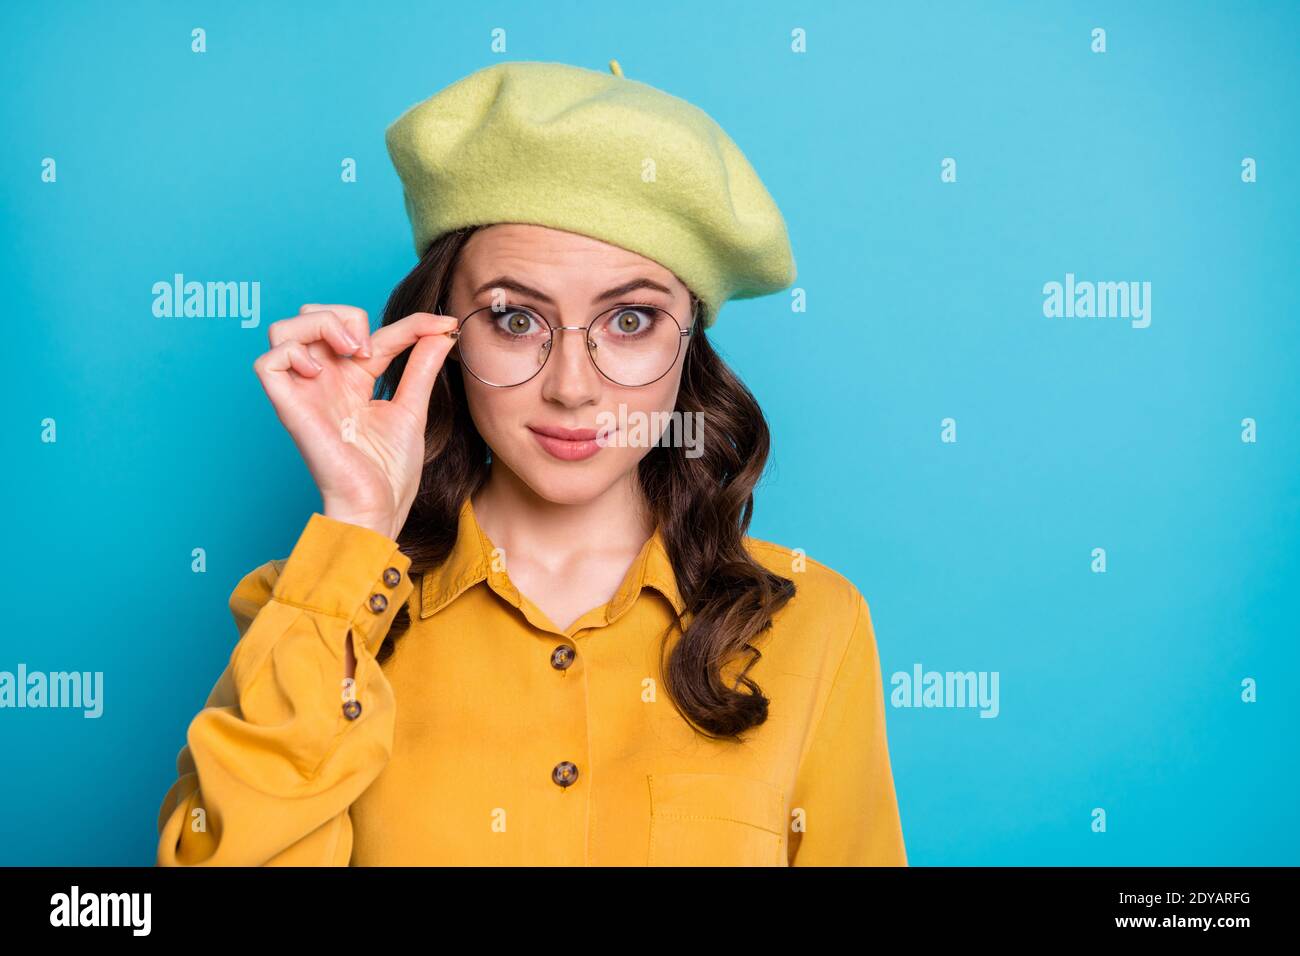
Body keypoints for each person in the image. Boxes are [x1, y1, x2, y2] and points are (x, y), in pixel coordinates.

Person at [156, 59, 907, 866]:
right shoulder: (317, 613)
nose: (573, 389)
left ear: (691, 346)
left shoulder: (814, 624)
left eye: (631, 319)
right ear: (440, 336)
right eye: (514, 319)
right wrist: (357, 527)